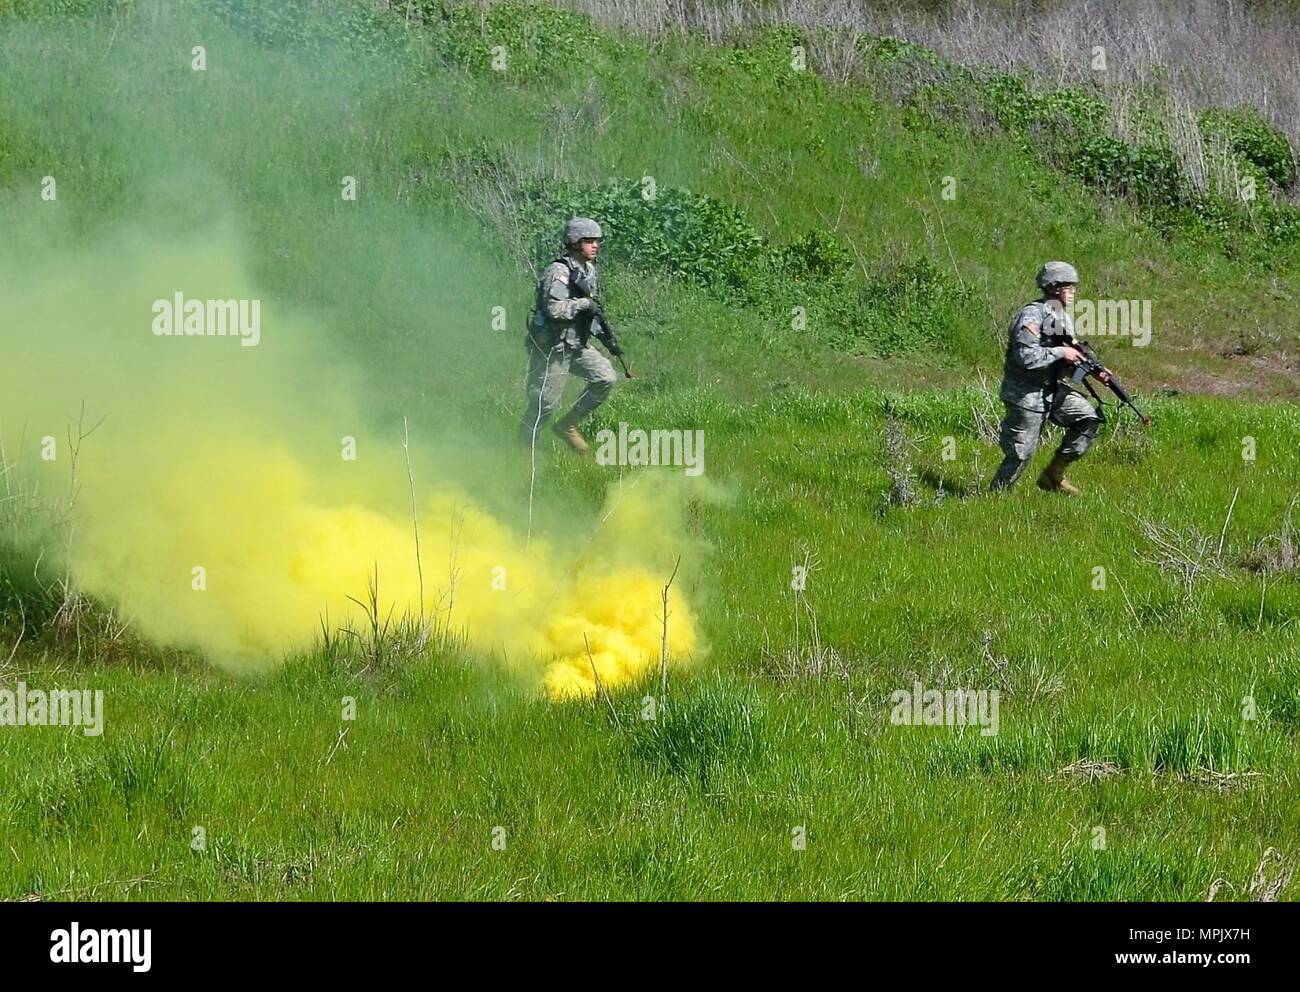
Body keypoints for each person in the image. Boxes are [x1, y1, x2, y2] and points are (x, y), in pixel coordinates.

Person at [989, 261, 1103, 495]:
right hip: (1025, 394)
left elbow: (1066, 361)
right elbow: (1025, 357)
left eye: (1074, 287)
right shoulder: (1031, 315)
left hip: (1052, 389)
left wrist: (1091, 370)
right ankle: (995, 496)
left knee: (1088, 419)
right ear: (1053, 287)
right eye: (1068, 287)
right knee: (1021, 453)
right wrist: (1062, 352)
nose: (1074, 291)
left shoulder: (1062, 317)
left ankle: (1054, 475)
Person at [519, 217, 624, 455]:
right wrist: (583, 305)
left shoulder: (588, 270)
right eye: (588, 241)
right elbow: (554, 309)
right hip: (553, 347)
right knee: (545, 403)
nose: (595, 246)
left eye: (597, 241)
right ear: (575, 243)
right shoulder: (559, 272)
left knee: (605, 378)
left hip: (577, 343)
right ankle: (524, 448)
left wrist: (607, 337)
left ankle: (568, 424)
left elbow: (590, 310)